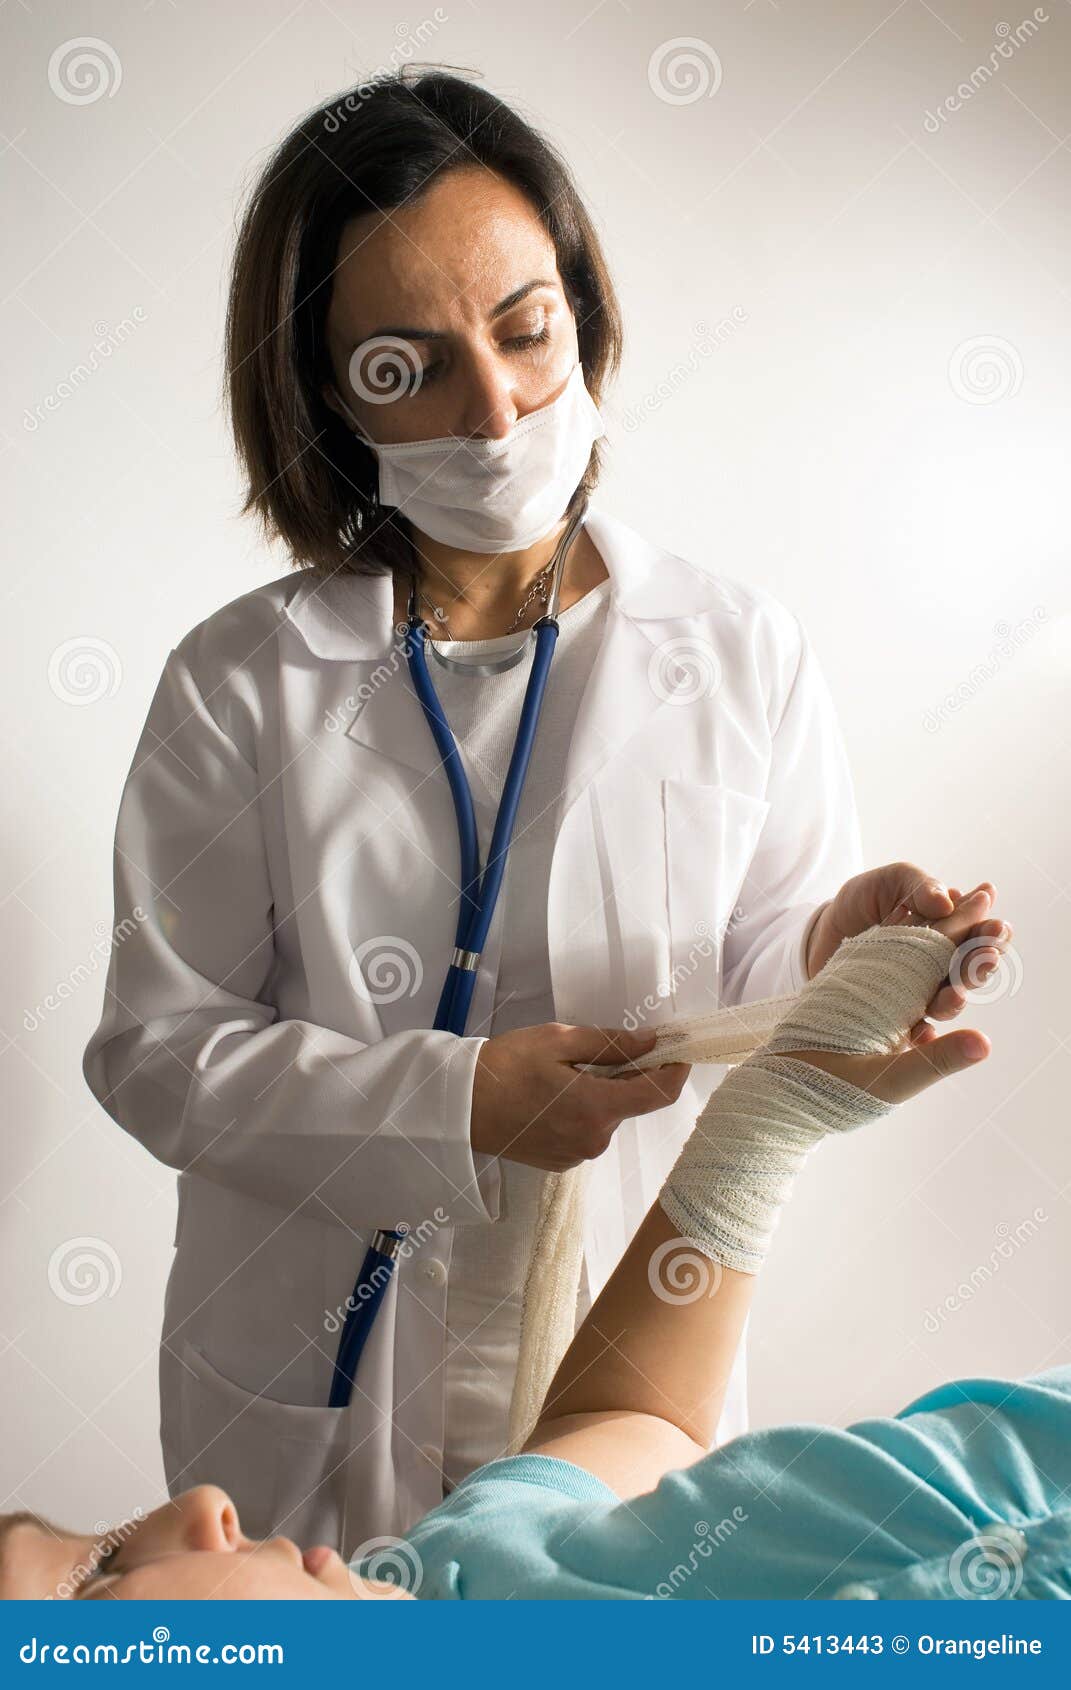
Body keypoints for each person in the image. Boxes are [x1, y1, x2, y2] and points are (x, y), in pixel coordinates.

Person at [80, 65, 1010, 1554]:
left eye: (523, 329)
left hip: (614, 1346)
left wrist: (845, 940)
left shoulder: (733, 649)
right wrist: (452, 1102)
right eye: (409, 363)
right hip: (313, 1383)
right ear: (323, 389)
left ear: (582, 308)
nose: (497, 404)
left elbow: (762, 982)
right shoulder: (242, 681)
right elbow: (155, 1053)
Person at [8, 906, 1056, 1603]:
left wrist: (763, 1125)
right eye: (97, 1572)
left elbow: (628, 1423)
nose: (198, 1503)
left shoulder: (433, 1578)